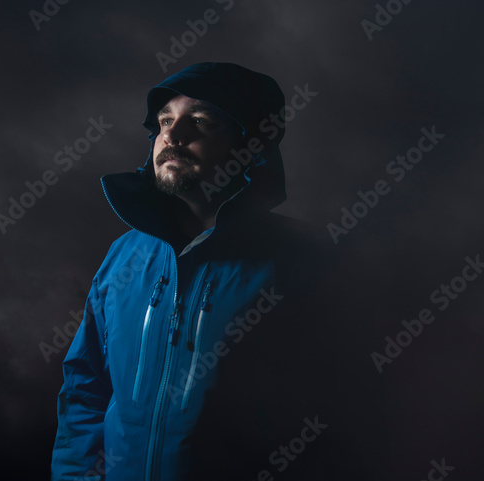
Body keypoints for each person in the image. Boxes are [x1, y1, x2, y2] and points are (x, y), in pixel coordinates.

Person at [51, 62, 377, 480]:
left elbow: (342, 413)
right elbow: (86, 389)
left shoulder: (303, 260)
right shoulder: (124, 257)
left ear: (250, 144)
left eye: (200, 122)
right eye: (165, 121)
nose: (172, 135)